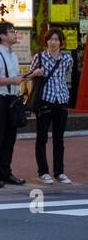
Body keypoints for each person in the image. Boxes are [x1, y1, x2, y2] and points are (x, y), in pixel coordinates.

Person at [0, 21, 40, 188]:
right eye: (12, 31)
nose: (16, 34)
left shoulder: (12, 55)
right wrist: (13, 80)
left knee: (9, 138)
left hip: (11, 99)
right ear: (2, 36)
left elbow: (16, 79)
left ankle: (5, 173)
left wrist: (30, 76)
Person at [32, 30, 74, 185]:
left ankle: (59, 172)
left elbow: (65, 75)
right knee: (42, 137)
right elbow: (32, 76)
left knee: (59, 138)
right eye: (50, 39)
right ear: (46, 41)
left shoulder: (67, 58)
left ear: (61, 42)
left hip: (62, 99)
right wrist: (36, 73)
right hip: (45, 100)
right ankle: (43, 171)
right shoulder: (40, 57)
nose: (53, 42)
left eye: (56, 39)